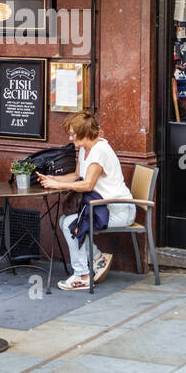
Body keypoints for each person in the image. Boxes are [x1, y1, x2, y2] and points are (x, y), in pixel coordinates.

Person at [37, 110, 136, 291]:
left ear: (84, 133)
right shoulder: (85, 149)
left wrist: (57, 186)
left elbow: (88, 184)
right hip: (103, 208)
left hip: (119, 211)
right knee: (64, 221)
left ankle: (82, 275)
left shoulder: (99, 151)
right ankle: (97, 257)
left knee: (69, 223)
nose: (70, 137)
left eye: (73, 133)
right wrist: (52, 180)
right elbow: (77, 176)